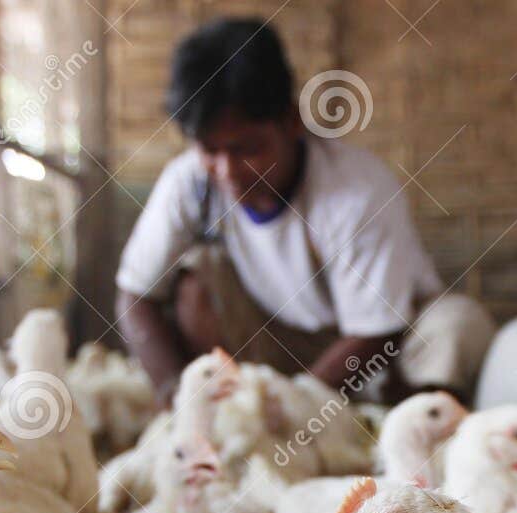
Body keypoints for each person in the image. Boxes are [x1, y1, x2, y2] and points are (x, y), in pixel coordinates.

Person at [115, 18, 493, 406]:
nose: (227, 171)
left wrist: (295, 409)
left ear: (292, 121)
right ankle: (243, 407)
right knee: (195, 286)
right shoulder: (189, 182)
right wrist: (175, 398)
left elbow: (376, 332)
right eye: (210, 150)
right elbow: (135, 297)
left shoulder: (355, 191)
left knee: (457, 324)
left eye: (247, 149)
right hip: (273, 352)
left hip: (380, 352)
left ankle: (388, 414)